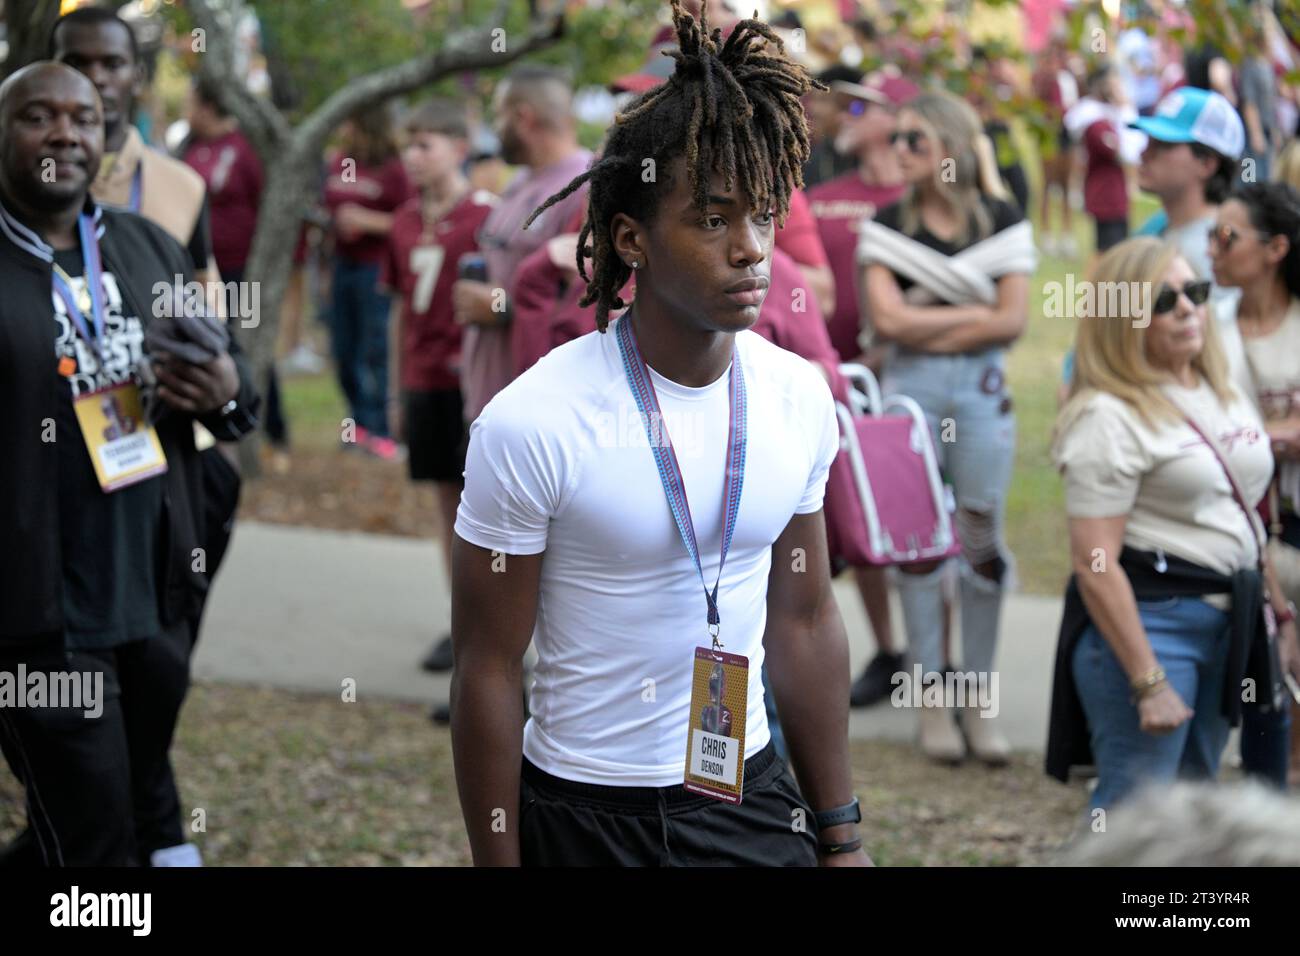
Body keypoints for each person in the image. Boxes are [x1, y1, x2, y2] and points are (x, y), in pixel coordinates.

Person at [451, 1, 867, 867]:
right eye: (712, 220)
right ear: (630, 238)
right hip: (586, 813)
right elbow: (488, 668)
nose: (751, 249)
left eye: (761, 215)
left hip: (753, 798)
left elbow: (806, 617)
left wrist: (841, 833)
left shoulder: (797, 398)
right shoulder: (533, 424)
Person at [0, 63, 259, 866]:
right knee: (95, 837)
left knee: (97, 813)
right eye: (37, 116)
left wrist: (221, 388)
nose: (64, 133)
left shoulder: (149, 247)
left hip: (154, 598)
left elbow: (237, 388)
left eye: (81, 117)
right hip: (36, 613)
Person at [1047, 237, 1293, 811]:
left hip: (1232, 618)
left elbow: (1248, 517)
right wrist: (1147, 679)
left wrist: (1279, 616)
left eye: (1196, 292)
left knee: (1194, 801)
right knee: (1136, 809)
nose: (1187, 308)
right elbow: (1094, 562)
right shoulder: (1105, 416)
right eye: (1164, 299)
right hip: (1156, 628)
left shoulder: (1217, 387)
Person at [858, 90, 1035, 765]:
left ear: (952, 149)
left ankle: (979, 699)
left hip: (983, 393)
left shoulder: (1000, 218)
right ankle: (930, 697)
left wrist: (918, 316)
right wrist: (972, 313)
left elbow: (1013, 321)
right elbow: (888, 324)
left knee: (981, 538)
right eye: (896, 138)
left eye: (914, 140)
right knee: (922, 544)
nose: (898, 150)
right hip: (912, 393)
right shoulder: (886, 223)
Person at [808, 71, 914, 708]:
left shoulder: (919, 196)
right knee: (855, 514)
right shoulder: (821, 196)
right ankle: (888, 648)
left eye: (859, 106)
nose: (841, 113)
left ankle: (937, 661)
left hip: (898, 384)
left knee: (920, 513)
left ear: (897, 119)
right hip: (833, 383)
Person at [381, 100, 496, 672]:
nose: (413, 157)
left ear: (459, 146)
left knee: (487, 507)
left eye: (425, 145)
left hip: (472, 382)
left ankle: (498, 631)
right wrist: (397, 390)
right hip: (423, 378)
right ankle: (461, 625)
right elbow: (400, 307)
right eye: (408, 146)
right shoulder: (403, 220)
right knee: (445, 507)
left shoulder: (486, 215)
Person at [1208, 180, 1300, 787]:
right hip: (1242, 529)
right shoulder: (1205, 325)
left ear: (1275, 249)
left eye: (1228, 237)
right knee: (1267, 671)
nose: (1213, 249)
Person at [183, 77, 289, 454]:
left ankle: (270, 426)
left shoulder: (245, 149)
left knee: (243, 341)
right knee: (205, 340)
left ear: (208, 107)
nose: (186, 112)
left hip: (238, 268)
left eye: (190, 103)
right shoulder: (189, 148)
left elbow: (268, 204)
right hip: (197, 270)